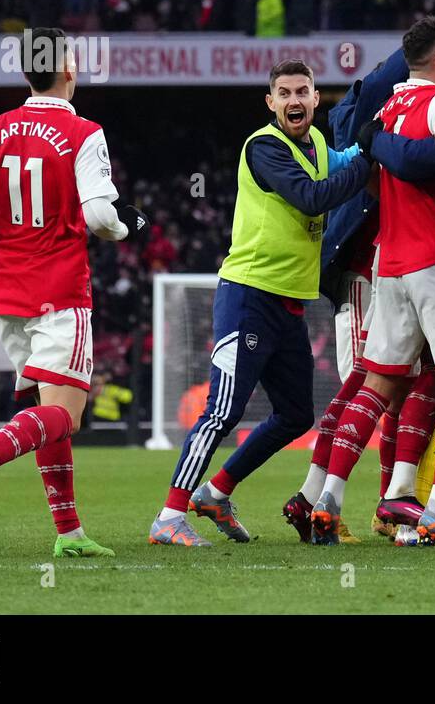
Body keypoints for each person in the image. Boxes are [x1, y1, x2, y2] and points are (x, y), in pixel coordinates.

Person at [0, 27, 148, 558]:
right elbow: (101, 218)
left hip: (8, 297)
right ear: (69, 70)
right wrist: (129, 227)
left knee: (46, 414)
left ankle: (69, 532)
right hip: (60, 291)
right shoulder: (83, 133)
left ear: (26, 72)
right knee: (66, 414)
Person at [148, 59, 372, 546]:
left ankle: (216, 492)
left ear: (316, 100)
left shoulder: (315, 145)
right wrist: (368, 159)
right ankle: (168, 517)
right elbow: (313, 198)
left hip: (288, 303)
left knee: (295, 415)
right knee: (221, 412)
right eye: (285, 93)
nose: (295, 100)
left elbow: (351, 156)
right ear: (271, 103)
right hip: (250, 296)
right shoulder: (264, 146)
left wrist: (382, 129)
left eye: (303, 92)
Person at [308, 15, 435, 546]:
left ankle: (329, 499)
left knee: (379, 382)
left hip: (389, 263)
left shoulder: (392, 106)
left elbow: (374, 168)